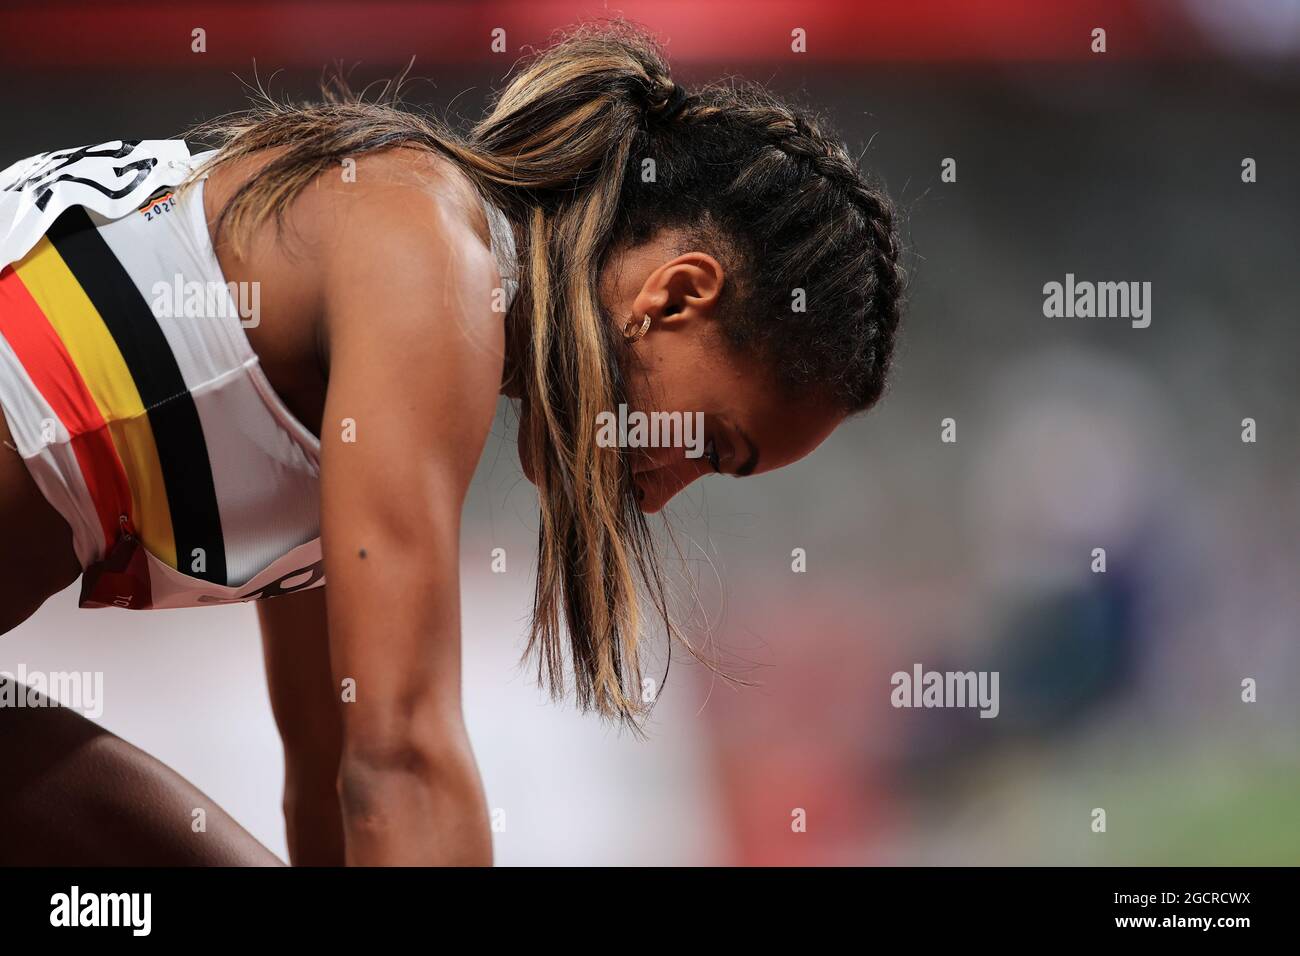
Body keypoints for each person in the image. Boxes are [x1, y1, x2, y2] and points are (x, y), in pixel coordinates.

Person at [0, 22, 903, 865]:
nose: (662, 491)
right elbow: (402, 758)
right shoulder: (430, 258)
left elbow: (331, 775)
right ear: (671, 297)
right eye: (708, 445)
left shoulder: (389, 333)